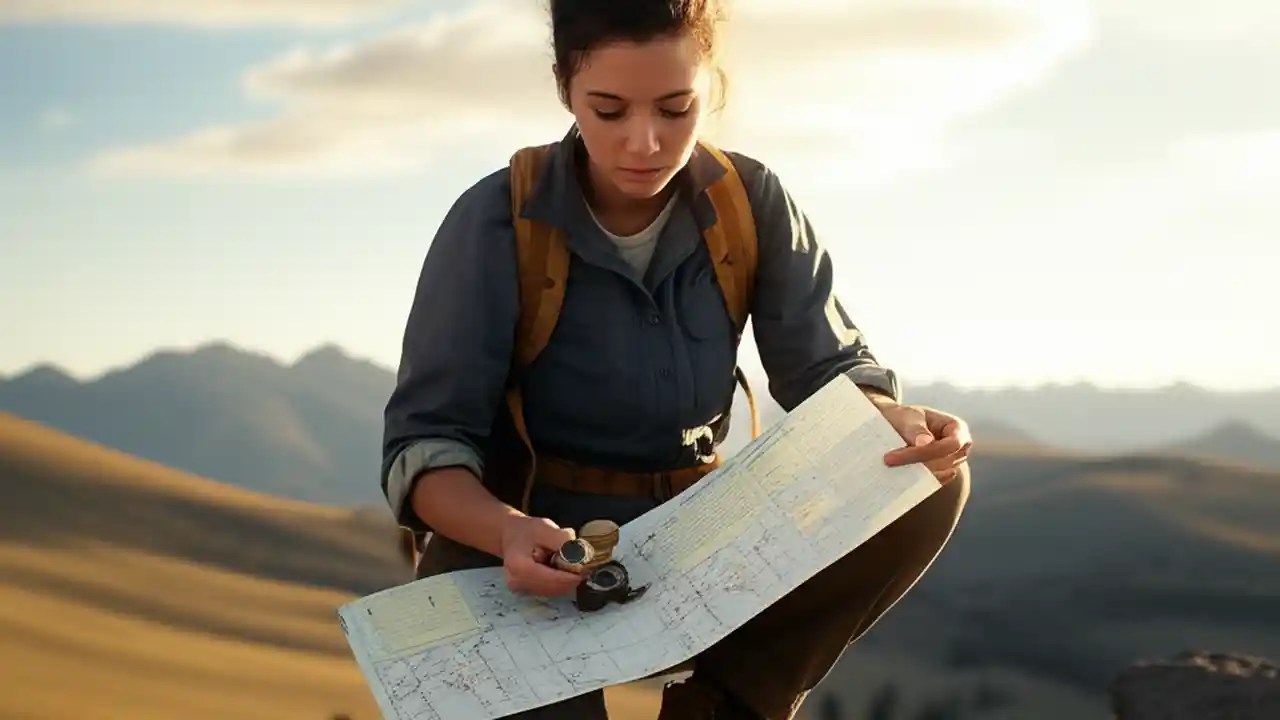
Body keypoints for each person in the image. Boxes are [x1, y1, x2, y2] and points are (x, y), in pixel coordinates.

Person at [381, 1, 974, 718]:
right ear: (565, 88)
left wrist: (891, 418)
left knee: (927, 483)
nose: (644, 142)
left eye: (674, 109)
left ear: (711, 90)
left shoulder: (750, 200)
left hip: (695, 541)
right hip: (522, 557)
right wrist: (507, 531)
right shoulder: (494, 220)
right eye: (608, 111)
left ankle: (723, 705)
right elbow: (426, 450)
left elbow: (825, 373)